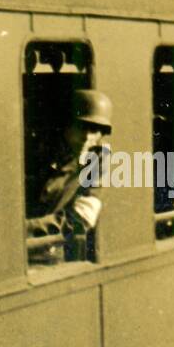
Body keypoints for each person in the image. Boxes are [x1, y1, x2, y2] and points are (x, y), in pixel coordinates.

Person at [25, 89, 112, 265]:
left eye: (95, 130)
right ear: (66, 127)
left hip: (49, 254)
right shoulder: (42, 152)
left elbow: (81, 218)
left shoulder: (98, 161)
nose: (87, 137)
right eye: (81, 127)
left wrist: (27, 227)